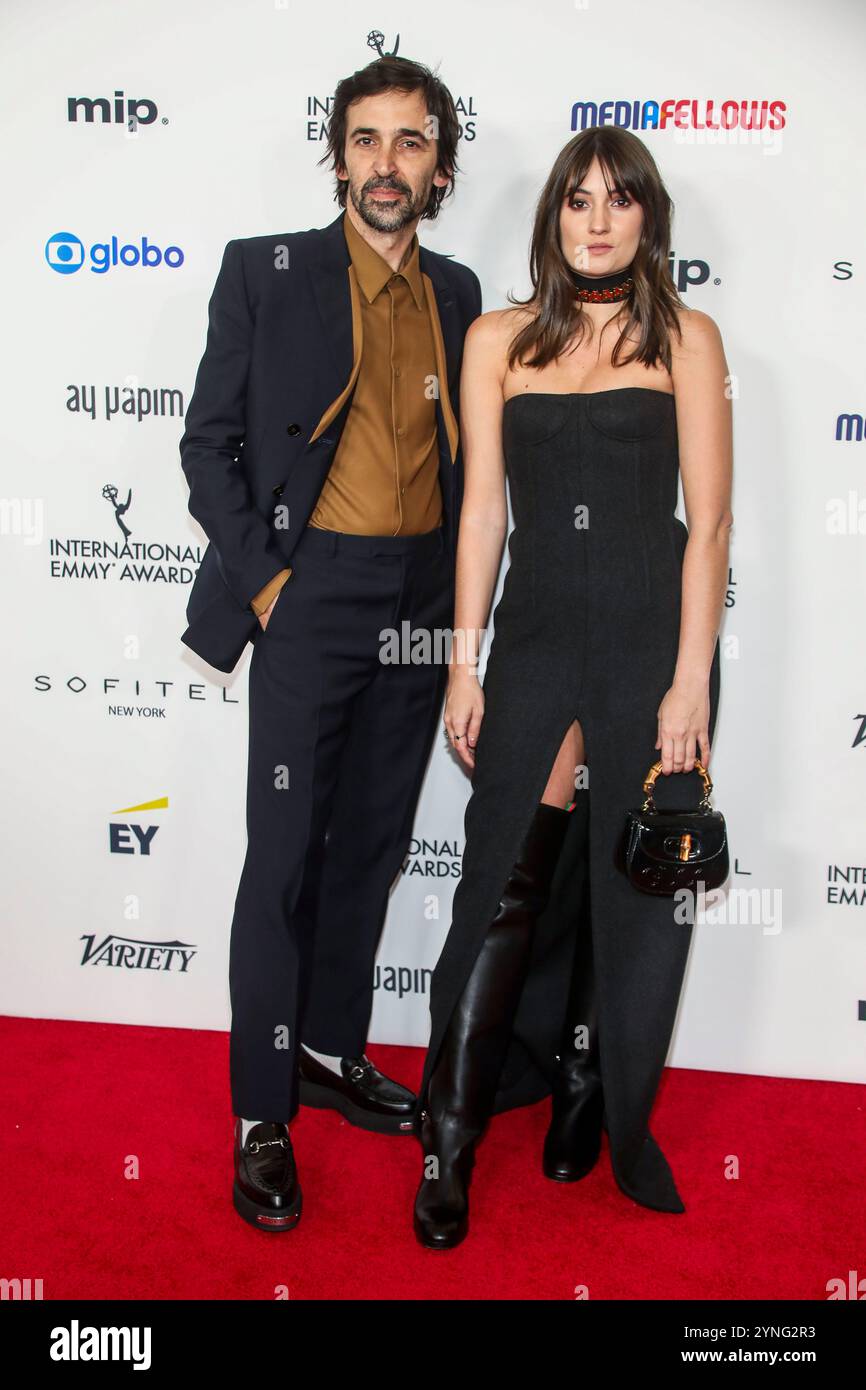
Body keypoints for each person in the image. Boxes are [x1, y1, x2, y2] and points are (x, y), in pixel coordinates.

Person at [413, 125, 733, 1249]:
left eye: (619, 200)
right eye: (575, 201)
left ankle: (591, 1093)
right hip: (539, 631)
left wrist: (687, 681)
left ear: (648, 217)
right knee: (505, 878)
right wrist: (462, 659)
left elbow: (710, 528)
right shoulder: (497, 339)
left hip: (651, 634)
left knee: (625, 877)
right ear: (550, 218)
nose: (596, 220)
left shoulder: (686, 338)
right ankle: (447, 1132)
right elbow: (482, 514)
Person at [178, 55, 481, 1232]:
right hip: (311, 595)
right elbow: (208, 447)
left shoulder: (457, 293)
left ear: (439, 167)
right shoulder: (268, 271)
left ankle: (330, 1050)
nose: (385, 164)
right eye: (365, 140)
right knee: (284, 856)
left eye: (409, 142)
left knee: (369, 845)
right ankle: (261, 1111)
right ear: (338, 154)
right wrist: (268, 585)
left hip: (414, 592)